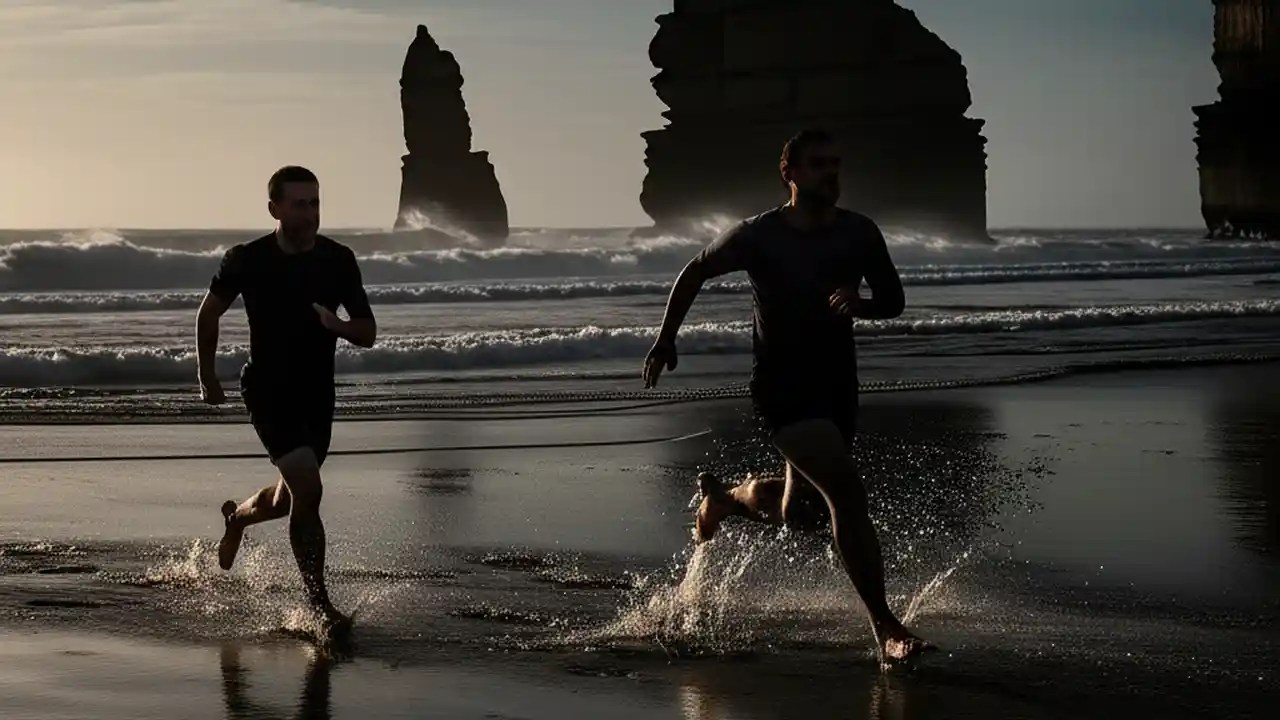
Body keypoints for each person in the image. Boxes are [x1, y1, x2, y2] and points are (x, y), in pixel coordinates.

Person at [642, 129, 931, 661]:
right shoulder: (758, 236)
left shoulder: (860, 233)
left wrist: (860, 304)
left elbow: (893, 300)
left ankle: (725, 499)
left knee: (804, 514)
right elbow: (694, 271)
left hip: (838, 387)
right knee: (846, 494)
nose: (831, 174)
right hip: (782, 390)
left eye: (836, 164)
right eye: (819, 164)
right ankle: (887, 628)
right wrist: (665, 338)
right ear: (789, 173)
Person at [195, 165, 376, 631]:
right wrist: (207, 374)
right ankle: (320, 607)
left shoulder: (338, 260)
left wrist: (335, 325)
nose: (311, 213)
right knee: (310, 490)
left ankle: (236, 517)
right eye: (300, 204)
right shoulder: (247, 259)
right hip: (268, 391)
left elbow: (367, 330)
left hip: (317, 394)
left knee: (287, 499)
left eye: (315, 202)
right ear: (274, 208)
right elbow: (209, 312)